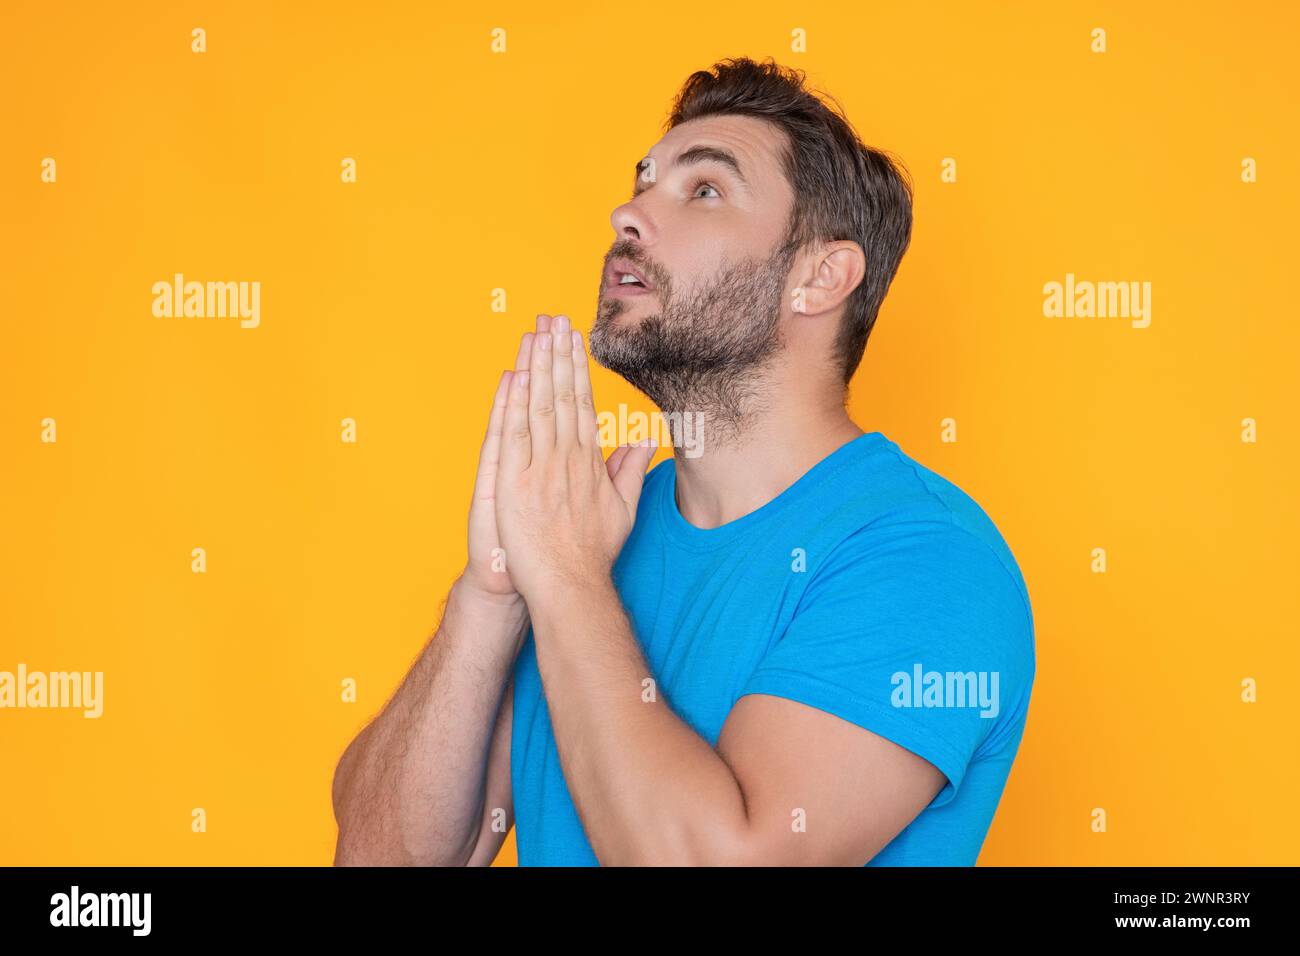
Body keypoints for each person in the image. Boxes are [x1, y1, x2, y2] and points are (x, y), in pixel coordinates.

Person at [331, 56, 1035, 867]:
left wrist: (562, 576)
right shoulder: (592, 533)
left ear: (820, 275)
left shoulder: (929, 563)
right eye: (643, 183)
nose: (626, 213)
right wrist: (493, 589)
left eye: (703, 190)